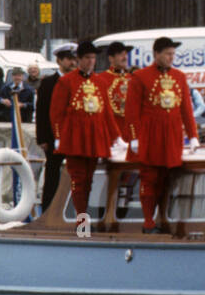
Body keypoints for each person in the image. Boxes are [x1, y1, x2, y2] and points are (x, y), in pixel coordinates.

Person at [123, 36, 199, 234]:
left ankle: (163, 220)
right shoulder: (140, 76)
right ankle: (148, 223)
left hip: (172, 135)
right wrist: (134, 138)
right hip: (150, 135)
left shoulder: (180, 76)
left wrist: (193, 136)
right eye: (167, 53)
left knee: (167, 178)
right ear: (156, 54)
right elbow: (131, 111)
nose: (171, 57)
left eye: (173, 54)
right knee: (149, 178)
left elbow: (186, 109)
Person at [51, 41, 121, 219]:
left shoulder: (101, 82)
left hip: (95, 136)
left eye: (94, 58)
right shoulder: (66, 81)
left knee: (90, 179)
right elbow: (56, 112)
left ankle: (86, 217)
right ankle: (81, 222)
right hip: (75, 137)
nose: (91, 62)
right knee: (78, 180)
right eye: (88, 58)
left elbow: (107, 112)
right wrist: (58, 136)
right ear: (79, 59)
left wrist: (116, 137)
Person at [35, 45, 75, 209]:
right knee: (52, 173)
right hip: (53, 136)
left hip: (73, 135)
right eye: (68, 59)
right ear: (59, 61)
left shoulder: (78, 81)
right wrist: (42, 137)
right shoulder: (49, 83)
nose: (72, 62)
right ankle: (48, 209)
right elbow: (42, 111)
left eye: (74, 59)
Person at [97, 41, 133, 129]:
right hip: (111, 128)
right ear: (111, 58)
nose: (125, 57)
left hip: (130, 129)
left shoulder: (133, 77)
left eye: (126, 54)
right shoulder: (101, 78)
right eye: (121, 54)